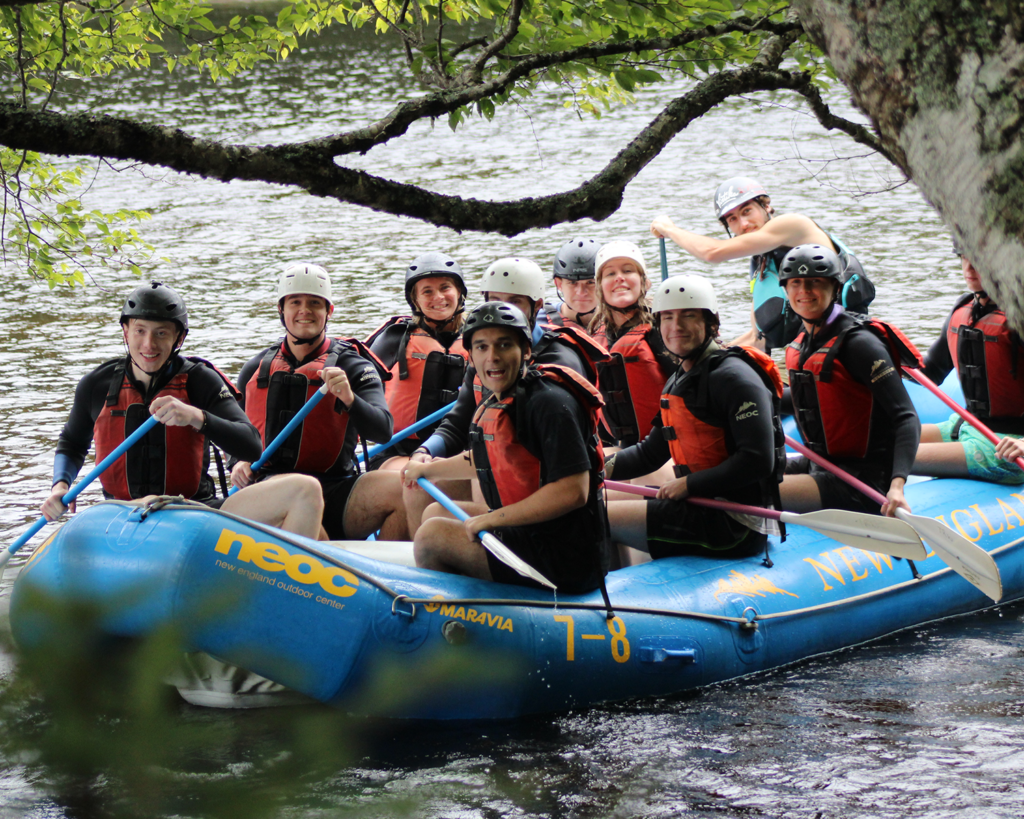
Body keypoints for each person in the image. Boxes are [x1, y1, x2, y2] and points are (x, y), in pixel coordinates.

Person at [40, 282, 323, 539]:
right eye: (140, 331)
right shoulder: (96, 384)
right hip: (123, 515)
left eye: (161, 333)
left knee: (305, 489)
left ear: (179, 338)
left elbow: (251, 445)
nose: (149, 344)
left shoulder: (200, 380)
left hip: (193, 514)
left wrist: (195, 417)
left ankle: (291, 585)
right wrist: (60, 486)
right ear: (126, 332)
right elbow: (72, 443)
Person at [393, 257, 609, 537]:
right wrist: (425, 453)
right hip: (502, 473)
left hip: (541, 491)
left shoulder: (558, 369)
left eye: (515, 302)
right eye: (494, 300)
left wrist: (492, 516)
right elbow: (459, 420)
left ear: (537, 306)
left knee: (438, 517)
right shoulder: (486, 357)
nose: (503, 310)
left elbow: (533, 457)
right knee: (418, 489)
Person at [404, 302, 609, 593]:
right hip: (532, 536)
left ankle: (463, 626)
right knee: (437, 512)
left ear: (526, 351)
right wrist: (427, 468)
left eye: (504, 345)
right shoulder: (506, 396)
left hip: (566, 558)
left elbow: (573, 491)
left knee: (432, 536)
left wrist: (491, 519)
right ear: (471, 356)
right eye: (482, 347)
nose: (493, 357)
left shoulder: (549, 403)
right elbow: (491, 457)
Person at [605, 275, 785, 561]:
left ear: (711, 324)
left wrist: (688, 485)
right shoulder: (682, 377)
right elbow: (651, 453)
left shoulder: (735, 378)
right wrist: (596, 468)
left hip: (735, 523)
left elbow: (758, 460)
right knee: (594, 499)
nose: (676, 327)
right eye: (668, 318)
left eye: (688, 316)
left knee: (597, 517)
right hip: (701, 503)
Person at [229, 263, 408, 541]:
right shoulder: (255, 367)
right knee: (303, 489)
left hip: (337, 489)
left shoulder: (354, 365)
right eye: (295, 302)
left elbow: (383, 430)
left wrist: (349, 398)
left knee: (402, 486)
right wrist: (236, 462)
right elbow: (234, 431)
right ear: (281, 310)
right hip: (273, 487)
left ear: (329, 312)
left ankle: (386, 575)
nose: (305, 310)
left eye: (315, 303)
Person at [650, 177, 874, 351]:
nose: (744, 224)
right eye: (733, 219)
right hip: (814, 350)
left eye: (747, 211)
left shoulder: (791, 225)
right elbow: (758, 338)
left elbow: (712, 253)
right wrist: (712, 355)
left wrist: (669, 229)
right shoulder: (763, 263)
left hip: (852, 339)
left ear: (766, 206)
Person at [778, 245, 921, 517]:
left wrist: (897, 486)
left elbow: (905, 417)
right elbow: (804, 401)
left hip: (861, 481)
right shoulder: (804, 342)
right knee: (742, 477)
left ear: (834, 288)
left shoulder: (859, 344)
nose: (804, 292)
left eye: (815, 283)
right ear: (785, 289)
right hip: (819, 464)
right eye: (795, 283)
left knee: (748, 491)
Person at [912, 241, 1024, 483]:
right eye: (964, 257)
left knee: (888, 457)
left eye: (979, 259)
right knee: (870, 441)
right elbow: (929, 372)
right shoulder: (964, 308)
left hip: (1008, 447)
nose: (970, 267)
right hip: (966, 425)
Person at [366, 252, 469, 470]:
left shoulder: (478, 338)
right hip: (398, 450)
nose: (438, 297)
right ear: (415, 300)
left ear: (459, 292)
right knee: (416, 480)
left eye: (445, 288)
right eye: (427, 291)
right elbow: (358, 383)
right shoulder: (395, 337)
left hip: (461, 450)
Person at [588, 240, 677, 448]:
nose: (619, 277)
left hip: (666, 447)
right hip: (621, 447)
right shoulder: (595, 337)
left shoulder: (662, 330)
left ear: (644, 282)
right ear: (600, 287)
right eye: (610, 274)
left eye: (628, 270)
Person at [543, 237, 602, 334]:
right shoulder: (537, 322)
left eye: (591, 282)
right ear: (559, 284)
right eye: (572, 282)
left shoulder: (620, 320)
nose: (581, 292)